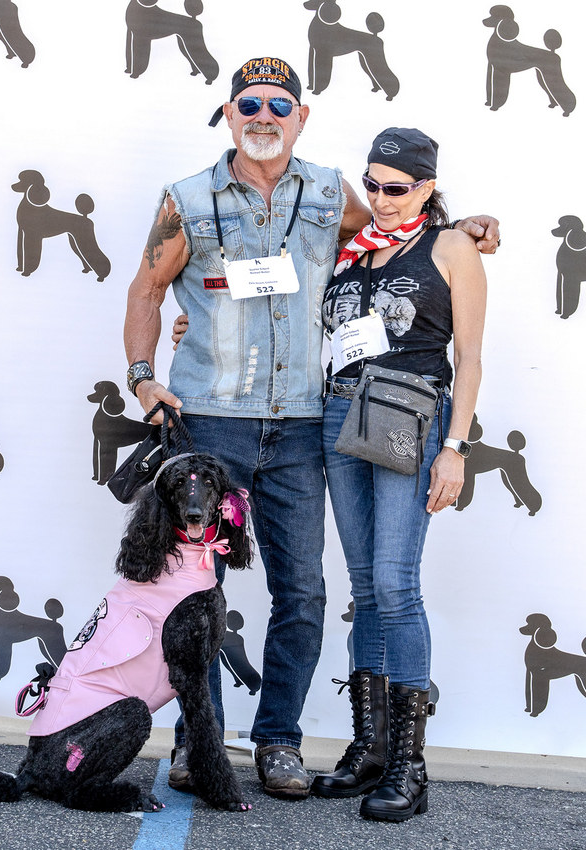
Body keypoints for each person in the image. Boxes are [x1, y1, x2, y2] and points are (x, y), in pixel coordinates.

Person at [123, 58, 498, 800]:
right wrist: (142, 374)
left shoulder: (334, 193)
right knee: (198, 592)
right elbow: (147, 287)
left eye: (279, 105)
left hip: (304, 425)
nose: (264, 116)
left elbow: (408, 230)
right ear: (228, 112)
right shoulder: (187, 199)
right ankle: (196, 745)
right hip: (212, 421)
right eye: (249, 104)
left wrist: (470, 227)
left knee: (305, 593)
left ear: (301, 116)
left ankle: (278, 743)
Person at [311, 127, 486, 822]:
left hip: (407, 414)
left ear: (427, 187)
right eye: (373, 183)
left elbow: (469, 356)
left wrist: (457, 447)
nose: (380, 199)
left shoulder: (451, 247)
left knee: (395, 582)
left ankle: (410, 764)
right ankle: (370, 748)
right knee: (364, 587)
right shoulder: (350, 248)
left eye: (397, 187)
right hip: (337, 413)